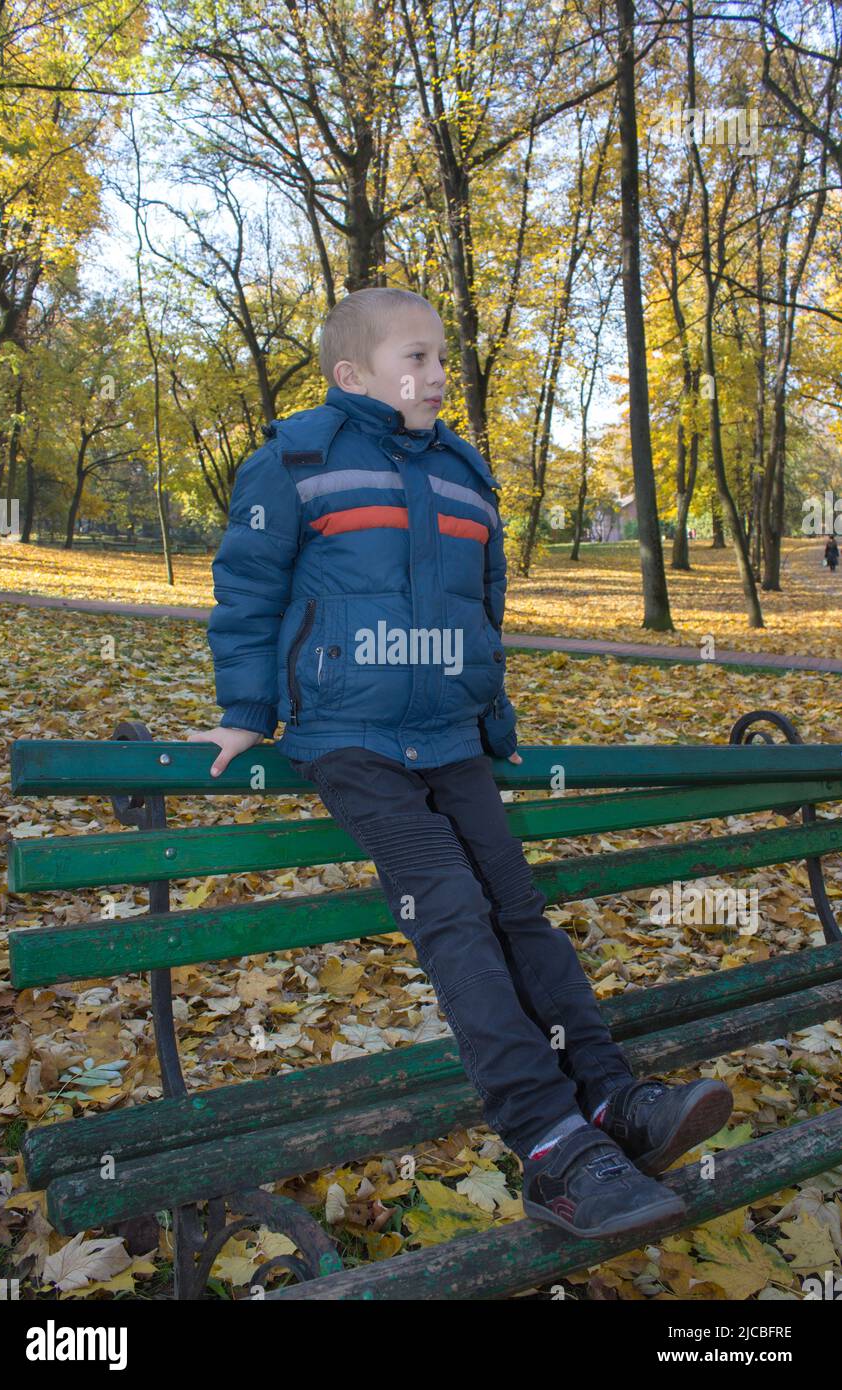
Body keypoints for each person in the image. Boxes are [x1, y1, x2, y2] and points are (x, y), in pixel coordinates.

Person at [188, 287, 732, 1240]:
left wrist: (494, 715)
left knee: (517, 910)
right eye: (417, 359)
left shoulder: (464, 472)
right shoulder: (296, 461)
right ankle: (553, 1144)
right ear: (353, 374)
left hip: (451, 737)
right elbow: (245, 588)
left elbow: (481, 610)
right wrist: (246, 711)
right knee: (451, 908)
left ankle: (610, 1099)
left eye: (442, 358)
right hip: (348, 739)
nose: (439, 375)